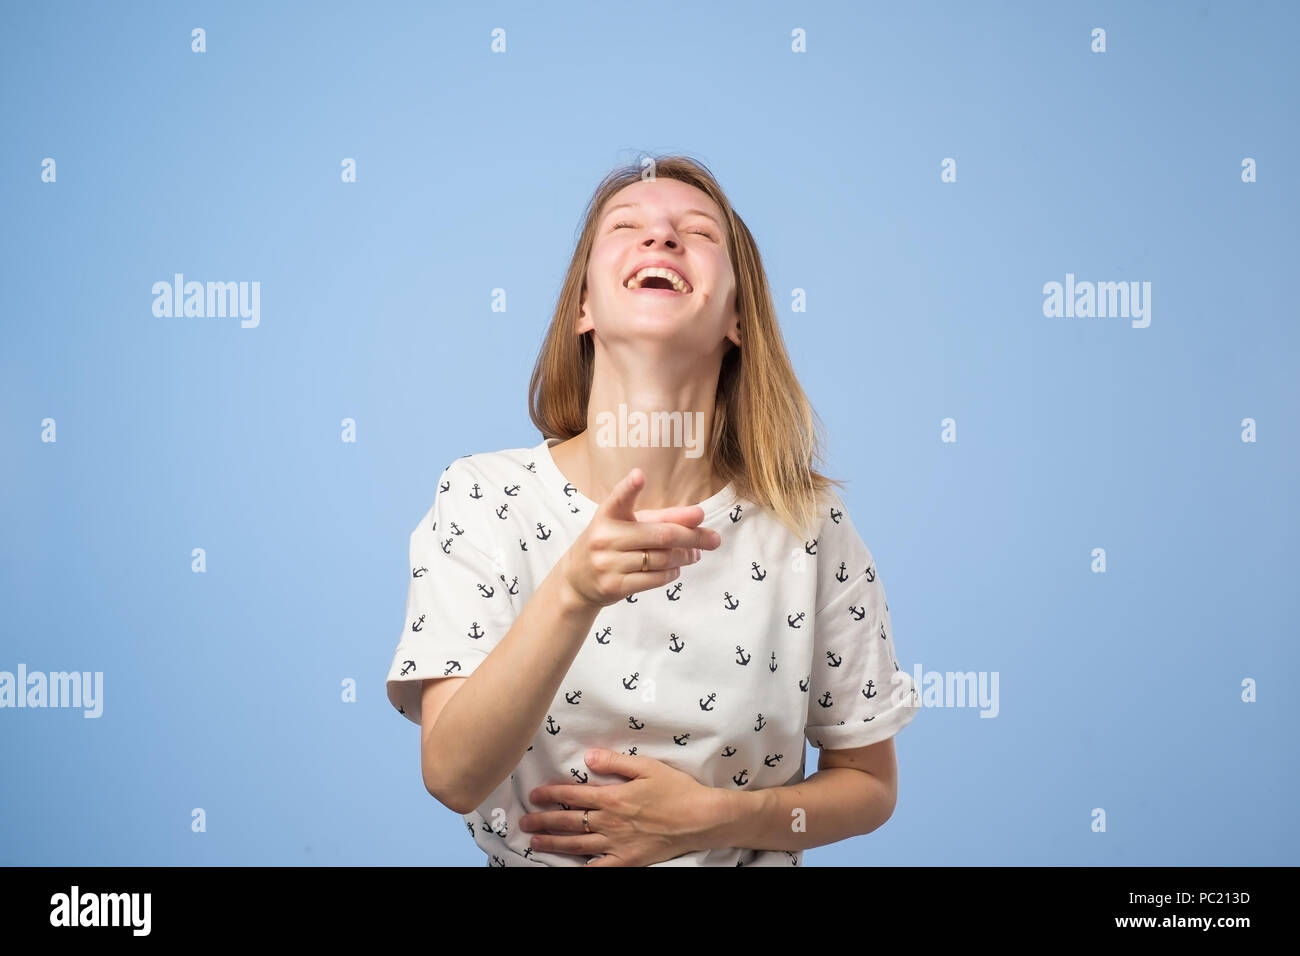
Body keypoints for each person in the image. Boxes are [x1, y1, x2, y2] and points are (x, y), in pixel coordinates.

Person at [385, 155, 920, 866]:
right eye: (627, 226)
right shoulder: (484, 499)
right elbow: (453, 777)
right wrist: (573, 592)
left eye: (697, 232)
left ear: (737, 316)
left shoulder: (807, 527)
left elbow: (868, 788)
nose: (661, 238)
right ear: (583, 307)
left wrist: (718, 819)